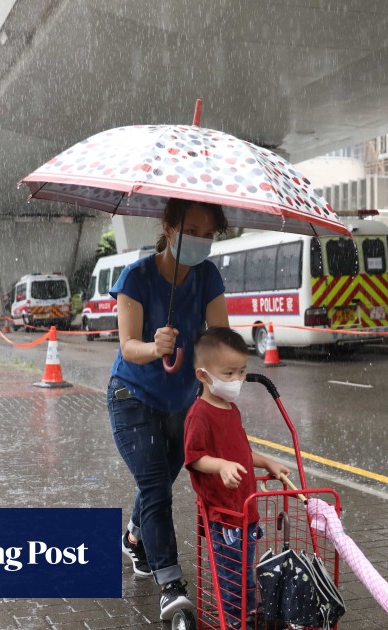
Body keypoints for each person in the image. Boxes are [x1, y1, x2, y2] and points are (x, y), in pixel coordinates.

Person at [107, 198, 229, 621]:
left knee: (157, 482)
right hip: (132, 398)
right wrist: (154, 345)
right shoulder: (135, 278)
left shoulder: (207, 277)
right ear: (169, 226)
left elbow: (220, 337)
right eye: (191, 229)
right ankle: (171, 586)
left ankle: (135, 537)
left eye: (207, 234)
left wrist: (228, 369)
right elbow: (128, 347)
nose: (200, 240)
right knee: (157, 486)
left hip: (182, 403)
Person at [184, 327, 290, 627]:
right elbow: (193, 458)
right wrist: (220, 466)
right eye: (228, 373)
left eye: (242, 372)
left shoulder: (230, 408)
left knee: (246, 571)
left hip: (245, 509)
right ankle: (234, 620)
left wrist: (266, 462)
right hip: (224, 514)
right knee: (232, 575)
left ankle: (245, 615)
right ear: (203, 375)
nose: (237, 381)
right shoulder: (200, 414)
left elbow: (241, 453)